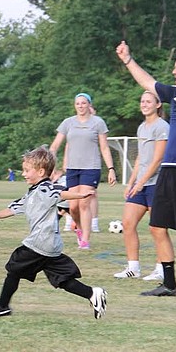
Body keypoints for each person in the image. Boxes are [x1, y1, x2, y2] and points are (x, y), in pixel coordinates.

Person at [0, 146, 107, 319]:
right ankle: (92, 294)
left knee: (14, 267)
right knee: (63, 281)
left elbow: (60, 192)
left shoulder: (46, 189)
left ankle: (2, 305)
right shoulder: (33, 192)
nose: (23, 174)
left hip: (40, 242)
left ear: (40, 171)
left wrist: (81, 195)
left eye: (26, 170)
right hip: (49, 245)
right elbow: (15, 208)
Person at [116, 40, 176, 296]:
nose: (174, 71)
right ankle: (169, 284)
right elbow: (147, 83)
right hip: (170, 170)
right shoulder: (175, 95)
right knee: (157, 226)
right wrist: (128, 60)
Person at [49, 93, 116, 250]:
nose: (80, 106)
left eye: (83, 103)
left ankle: (85, 240)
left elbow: (104, 148)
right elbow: (55, 146)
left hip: (91, 167)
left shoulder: (98, 123)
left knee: (84, 203)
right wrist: (50, 167)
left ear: (89, 105)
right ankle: (79, 228)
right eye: (77, 103)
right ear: (75, 105)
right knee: (73, 206)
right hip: (73, 168)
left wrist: (111, 169)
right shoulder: (68, 123)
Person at [113, 91, 169, 280]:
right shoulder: (142, 127)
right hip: (140, 184)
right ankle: (133, 268)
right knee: (128, 223)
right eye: (142, 101)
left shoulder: (162, 127)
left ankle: (161, 269)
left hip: (157, 183)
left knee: (157, 228)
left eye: (148, 101)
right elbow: (140, 157)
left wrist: (142, 182)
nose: (144, 104)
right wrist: (131, 182)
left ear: (158, 104)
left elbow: (157, 159)